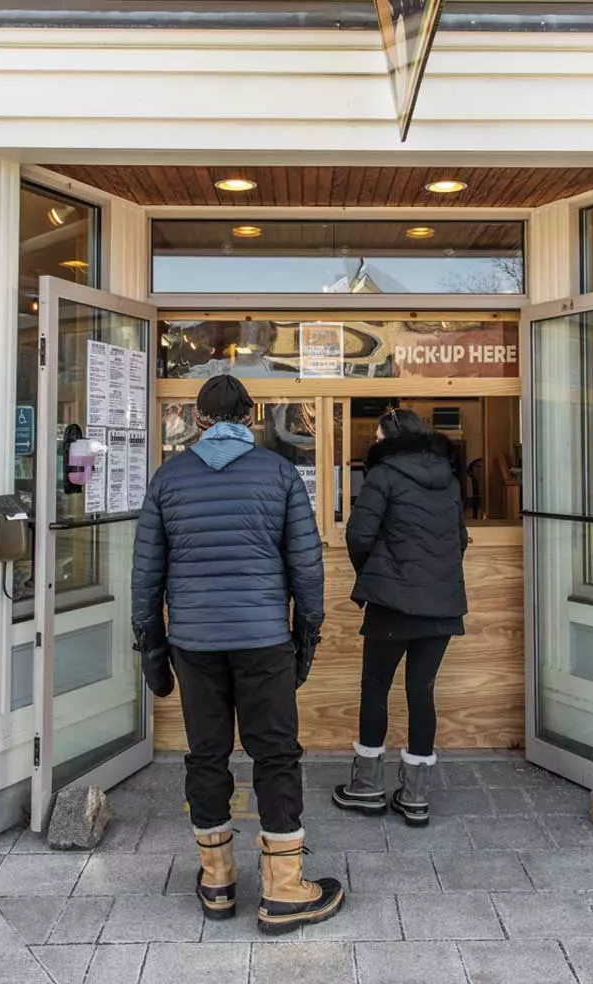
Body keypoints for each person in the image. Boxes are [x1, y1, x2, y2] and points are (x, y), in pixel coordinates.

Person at [131, 375, 343, 934]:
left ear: (199, 419)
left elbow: (146, 574)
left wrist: (151, 643)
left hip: (194, 644)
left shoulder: (168, 478)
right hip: (263, 639)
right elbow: (307, 565)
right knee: (274, 754)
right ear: (249, 418)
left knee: (207, 754)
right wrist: (308, 633)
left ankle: (218, 879)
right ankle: (284, 889)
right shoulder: (279, 475)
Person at [331, 407, 469, 826]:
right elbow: (460, 539)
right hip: (442, 605)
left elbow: (358, 534)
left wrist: (376, 575)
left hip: (392, 604)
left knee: (375, 687)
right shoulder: (448, 479)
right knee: (421, 691)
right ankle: (415, 797)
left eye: (376, 435)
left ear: (389, 438)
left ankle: (367, 787)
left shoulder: (383, 474)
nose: (373, 441)